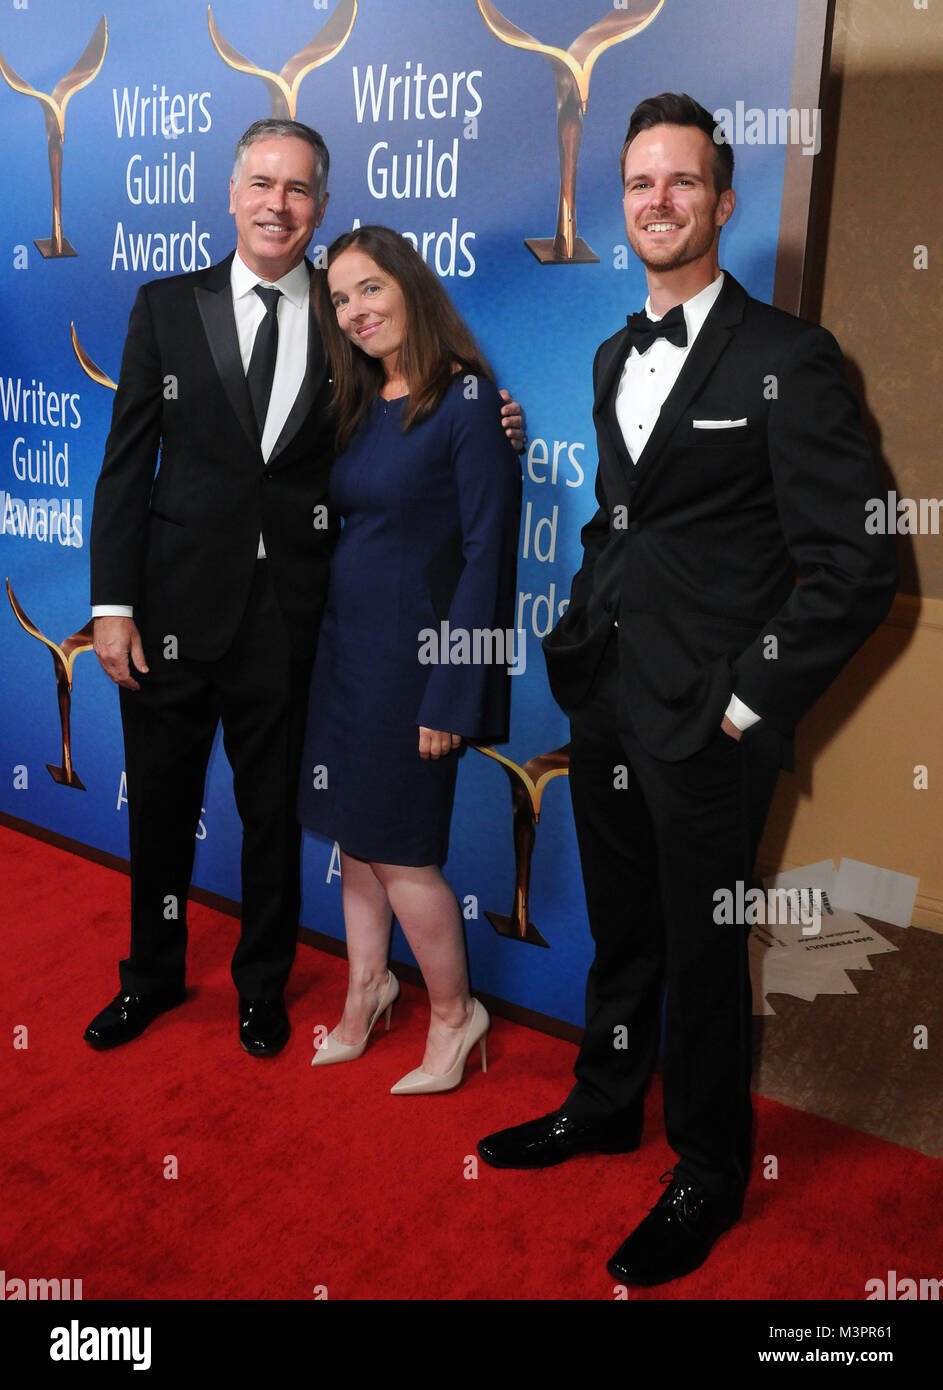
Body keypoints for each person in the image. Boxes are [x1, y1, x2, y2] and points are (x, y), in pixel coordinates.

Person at [478, 93, 897, 1283]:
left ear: (721, 200)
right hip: (607, 692)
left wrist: (745, 699)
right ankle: (607, 1100)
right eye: (639, 183)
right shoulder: (615, 351)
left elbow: (861, 556)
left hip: (710, 719)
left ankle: (709, 1169)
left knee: (708, 957)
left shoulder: (790, 359)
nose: (658, 201)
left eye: (681, 182)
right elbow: (638, 519)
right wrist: (581, 629)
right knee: (624, 931)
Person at [85, 120, 523, 1058]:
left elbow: (423, 410)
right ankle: (151, 977)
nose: (277, 204)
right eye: (261, 183)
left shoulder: (345, 326)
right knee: (159, 806)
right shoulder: (165, 307)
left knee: (274, 818)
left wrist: (497, 418)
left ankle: (261, 986)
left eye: (296, 190)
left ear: (317, 207)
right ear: (233, 192)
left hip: (293, 627)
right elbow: (125, 466)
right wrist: (112, 606)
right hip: (168, 616)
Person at [298, 225, 521, 1094]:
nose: (355, 312)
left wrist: (450, 698)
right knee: (358, 841)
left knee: (403, 856)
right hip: (344, 655)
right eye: (341, 298)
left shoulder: (467, 402)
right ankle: (366, 990)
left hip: (416, 669)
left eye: (370, 290)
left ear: (410, 289)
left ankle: (457, 1016)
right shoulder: (356, 402)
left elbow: (487, 556)